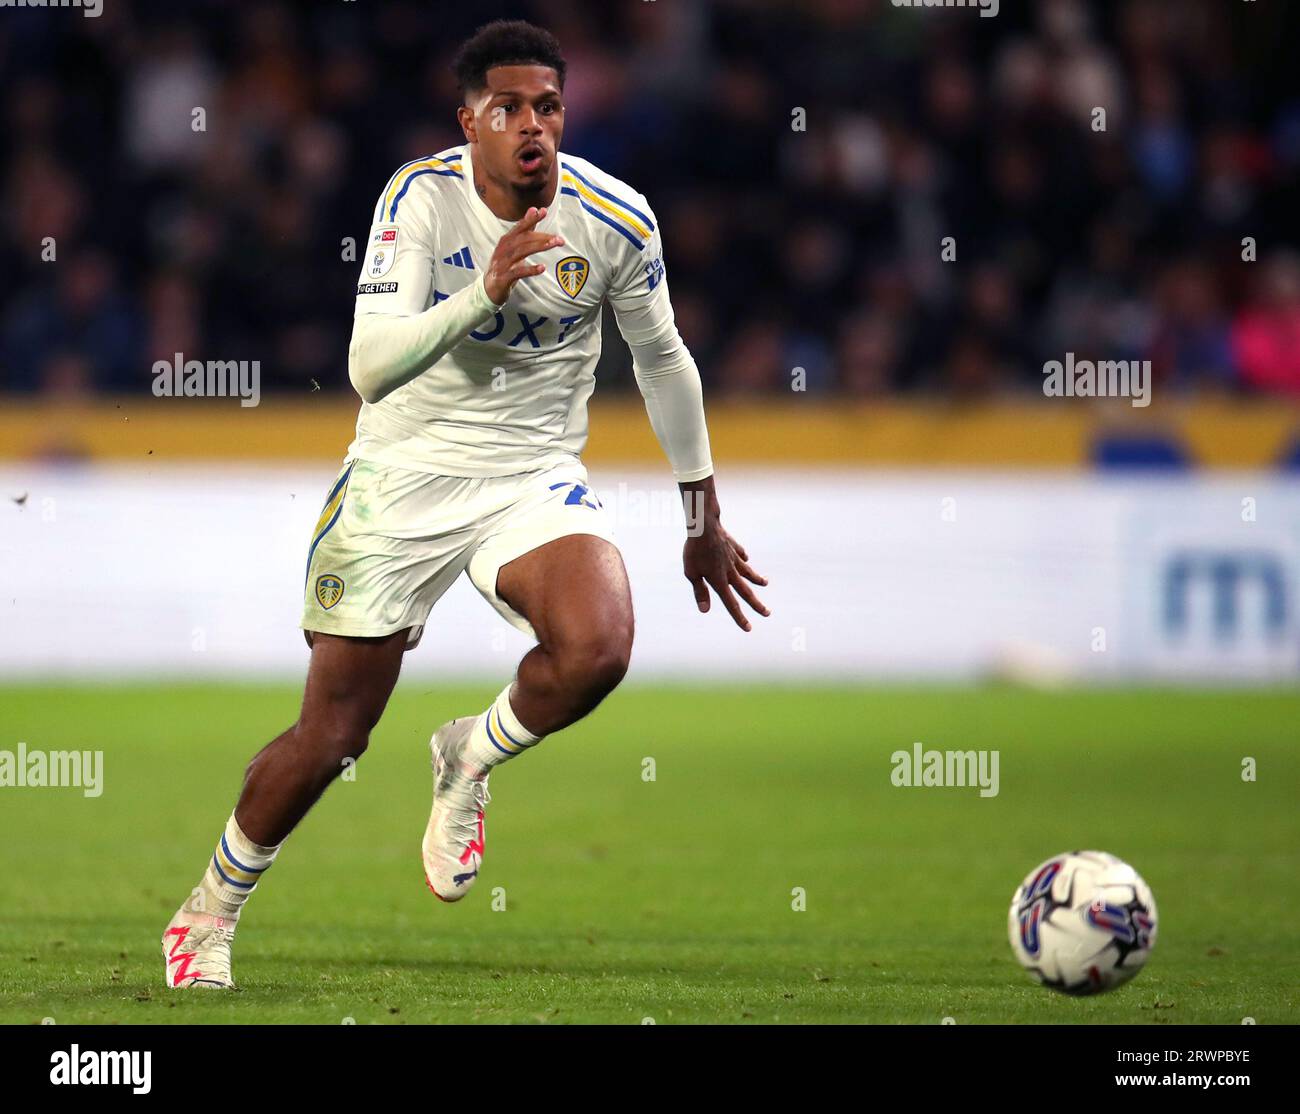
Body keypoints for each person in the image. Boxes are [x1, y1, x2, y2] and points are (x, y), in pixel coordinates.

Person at [162, 19, 768, 989]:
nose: (534, 126)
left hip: (530, 477)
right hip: (400, 479)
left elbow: (664, 361)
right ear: (469, 119)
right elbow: (366, 368)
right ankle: (208, 912)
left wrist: (702, 517)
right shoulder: (420, 199)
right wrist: (479, 295)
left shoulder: (616, 218)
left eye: (549, 106)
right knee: (332, 737)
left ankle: (467, 756)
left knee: (599, 646)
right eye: (510, 107)